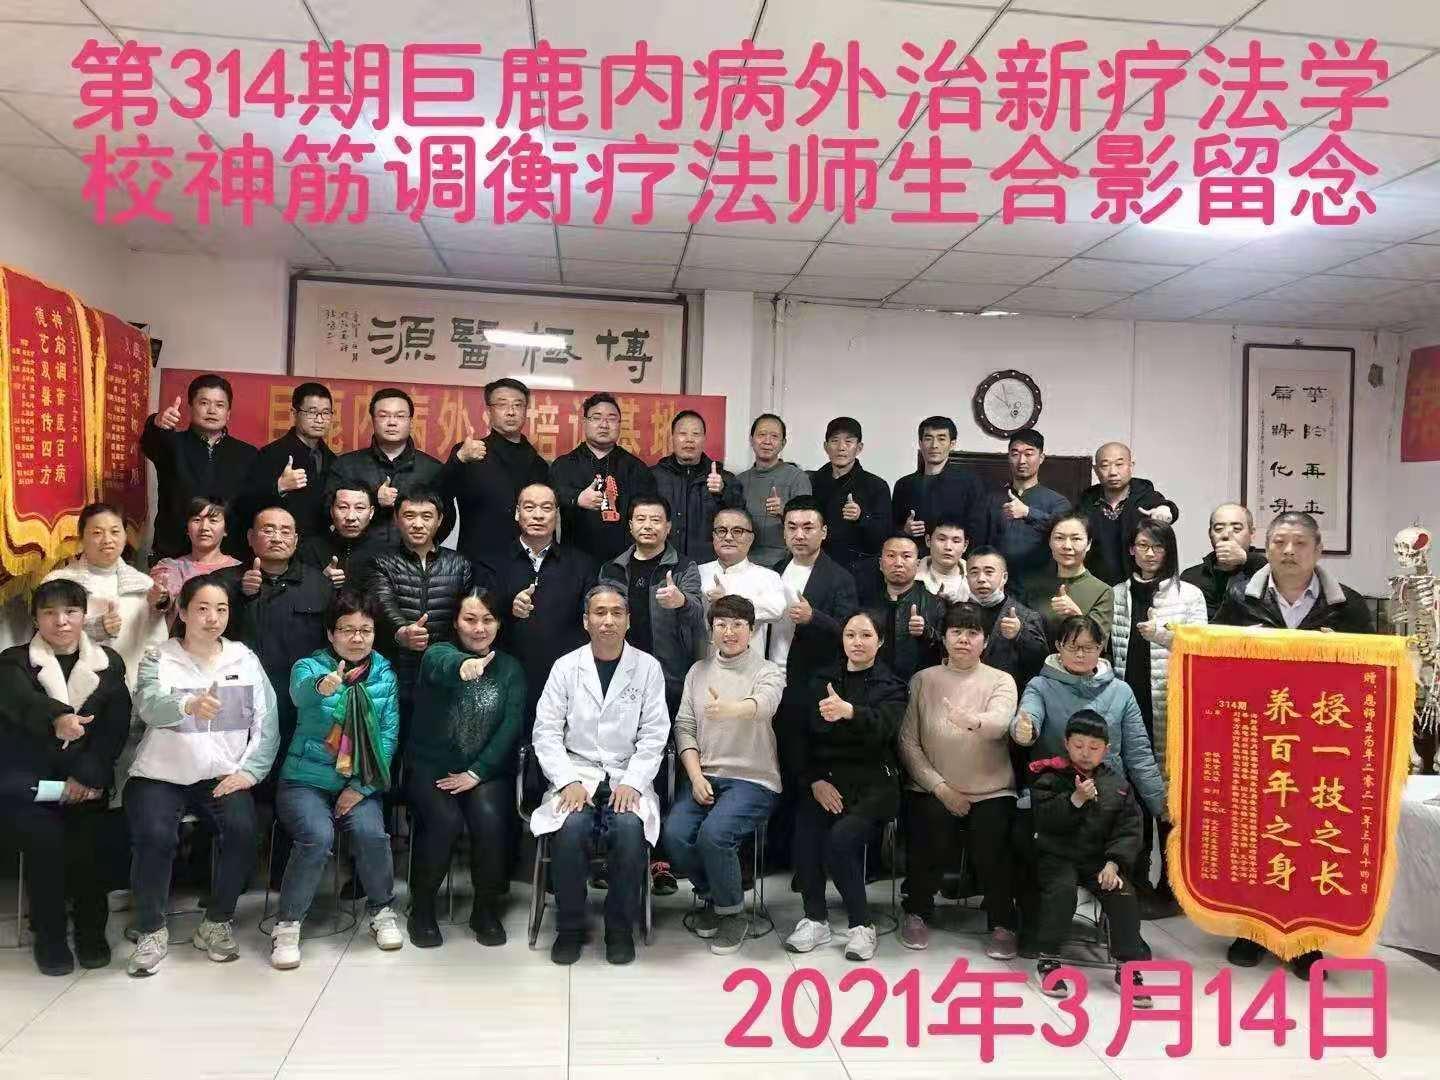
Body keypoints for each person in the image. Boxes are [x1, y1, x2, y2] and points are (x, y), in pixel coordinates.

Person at [1214, 510, 1374, 980]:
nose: (1288, 551)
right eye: (1279, 541)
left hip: (1320, 745)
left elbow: (1374, 675)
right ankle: (1251, 929)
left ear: (1318, 550)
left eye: (1300, 543)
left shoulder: (1348, 606)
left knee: (1311, 835)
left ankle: (1306, 937)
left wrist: (1342, 652)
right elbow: (1212, 658)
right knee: (1255, 831)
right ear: (1265, 547)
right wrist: (1241, 643)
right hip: (1259, 738)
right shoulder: (1239, 598)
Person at [126, 575, 279, 977]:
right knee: (155, 837)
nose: (213, 618)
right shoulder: (158, 657)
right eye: (203, 609)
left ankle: (216, 922)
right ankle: (150, 929)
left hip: (220, 775)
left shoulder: (244, 659)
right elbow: (148, 706)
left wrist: (250, 772)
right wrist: (188, 705)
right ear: (182, 612)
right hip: (161, 774)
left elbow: (267, 724)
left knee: (244, 830)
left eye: (221, 609)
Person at [530, 585, 671, 966]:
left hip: (627, 773)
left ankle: (619, 929)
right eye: (599, 613)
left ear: (628, 620)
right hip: (577, 771)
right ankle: (570, 928)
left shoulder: (647, 668)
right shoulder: (565, 667)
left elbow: (655, 734)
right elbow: (546, 731)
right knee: (570, 829)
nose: (608, 620)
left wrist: (633, 782)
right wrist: (567, 780)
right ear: (585, 621)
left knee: (628, 829)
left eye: (616, 613)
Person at [0, 579, 131, 975]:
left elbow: (113, 729)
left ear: (83, 616)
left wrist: (87, 779)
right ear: (35, 619)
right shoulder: (13, 662)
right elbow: (21, 704)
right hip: (33, 783)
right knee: (45, 845)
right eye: (50, 613)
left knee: (91, 844)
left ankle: (91, 932)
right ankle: (50, 936)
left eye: (71, 612)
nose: (61, 621)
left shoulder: (108, 663)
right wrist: (57, 718)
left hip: (87, 783)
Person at [270, 590, 403, 970]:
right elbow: (299, 695)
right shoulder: (309, 667)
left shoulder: (385, 674)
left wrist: (360, 789)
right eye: (347, 630)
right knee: (318, 835)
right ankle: (288, 924)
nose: (357, 638)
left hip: (360, 782)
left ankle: (382, 910)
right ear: (331, 634)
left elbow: (388, 737)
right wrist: (322, 687)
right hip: (305, 781)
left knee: (371, 833)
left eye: (365, 630)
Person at [663, 596, 786, 955]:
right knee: (674, 834)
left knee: (715, 835)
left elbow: (765, 705)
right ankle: (714, 896)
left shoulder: (767, 671)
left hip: (754, 779)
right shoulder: (697, 672)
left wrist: (730, 708)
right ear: (711, 630)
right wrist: (695, 776)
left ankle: (732, 913)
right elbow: (684, 727)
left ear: (752, 630)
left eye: (737, 625)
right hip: (706, 776)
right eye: (721, 625)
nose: (729, 632)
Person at [897, 603, 1020, 958]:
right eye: (956, 632)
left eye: (973, 633)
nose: (964, 639)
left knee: (992, 843)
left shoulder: (1001, 680)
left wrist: (972, 721)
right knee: (929, 828)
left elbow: (1000, 723)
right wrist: (940, 788)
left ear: (985, 640)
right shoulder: (923, 680)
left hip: (991, 789)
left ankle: (1002, 922)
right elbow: (908, 742)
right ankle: (917, 910)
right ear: (944, 637)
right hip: (933, 787)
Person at [407, 589, 527, 948]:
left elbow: (511, 726)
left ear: (499, 623)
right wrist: (463, 666)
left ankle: (485, 909)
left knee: (490, 819)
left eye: (488, 620)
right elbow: (443, 664)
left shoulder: (510, 669)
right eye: (470, 619)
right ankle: (422, 909)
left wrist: (477, 772)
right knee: (444, 821)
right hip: (432, 767)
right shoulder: (438, 654)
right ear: (456, 623)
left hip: (483, 770)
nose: (479, 628)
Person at [785, 609, 907, 962]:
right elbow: (800, 737)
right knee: (807, 832)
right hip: (827, 780)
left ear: (880, 642)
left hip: (874, 784)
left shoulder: (892, 685)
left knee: (840, 840)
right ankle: (815, 919)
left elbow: (885, 728)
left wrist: (850, 712)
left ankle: (861, 925)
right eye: (850, 634)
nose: (857, 642)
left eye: (866, 635)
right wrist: (814, 780)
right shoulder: (821, 679)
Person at [1109, 521, 1207, 917]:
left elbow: (1202, 648)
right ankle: (1136, 882)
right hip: (1128, 706)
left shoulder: (1189, 594)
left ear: (1169, 551)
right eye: (1142, 545)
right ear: (1131, 549)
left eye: (1158, 547)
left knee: (1168, 800)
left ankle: (1172, 887)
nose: (1149, 554)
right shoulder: (1118, 593)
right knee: (1131, 799)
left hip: (1168, 707)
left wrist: (1164, 635)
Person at [1031, 711, 1152, 1007]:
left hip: (1099, 860)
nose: (1085, 753)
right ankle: (1048, 959)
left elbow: (1129, 829)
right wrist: (1075, 800)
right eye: (1079, 745)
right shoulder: (1051, 776)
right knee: (1062, 890)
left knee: (1122, 892)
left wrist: (1114, 863)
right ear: (1066, 744)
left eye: (1094, 747)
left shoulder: (1117, 784)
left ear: (1106, 749)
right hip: (1058, 854)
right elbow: (1044, 820)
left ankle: (1128, 966)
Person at [768, 496, 859, 868]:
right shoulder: (774, 570)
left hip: (811, 686)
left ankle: (805, 862)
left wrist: (813, 617)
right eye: (792, 527)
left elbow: (851, 635)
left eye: (808, 527)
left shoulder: (840, 577)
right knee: (775, 766)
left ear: (824, 531)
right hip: (770, 679)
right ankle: (775, 853)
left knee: (805, 768)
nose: (800, 535)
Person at [219, 506, 332, 793]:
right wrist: (240, 596)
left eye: (285, 531)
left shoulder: (320, 585)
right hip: (240, 701)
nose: (277, 537)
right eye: (268, 530)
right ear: (250, 537)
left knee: (293, 782)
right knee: (240, 782)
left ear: (296, 540)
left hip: (299, 702)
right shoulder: (225, 583)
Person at [1010, 616, 1167, 822]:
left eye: (1088, 647)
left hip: (1109, 796)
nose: (1080, 654)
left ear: (1100, 647)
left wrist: (1160, 805)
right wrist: (1025, 730)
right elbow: (1029, 716)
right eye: (1072, 647)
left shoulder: (1121, 691)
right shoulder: (1040, 686)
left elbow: (1139, 755)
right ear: (1058, 646)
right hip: (1058, 796)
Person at [477, 482, 596, 730]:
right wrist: (509, 607)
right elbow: (478, 618)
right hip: (505, 680)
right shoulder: (491, 562)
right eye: (529, 507)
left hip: (565, 683)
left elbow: (589, 624)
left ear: (557, 514)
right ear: (517, 513)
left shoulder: (582, 565)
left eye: (546, 508)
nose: (538, 515)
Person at [367, 488, 475, 731]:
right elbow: (382, 602)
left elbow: (468, 614)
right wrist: (402, 631)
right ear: (396, 519)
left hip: (443, 677)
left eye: (426, 516)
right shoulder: (381, 562)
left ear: (439, 520)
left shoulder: (459, 564)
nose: (418, 524)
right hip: (392, 675)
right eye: (409, 515)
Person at [597, 495, 707, 716]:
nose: (648, 526)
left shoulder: (683, 567)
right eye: (641, 519)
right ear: (630, 526)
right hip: (619, 670)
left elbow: (697, 615)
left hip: (669, 674)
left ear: (668, 527)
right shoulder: (612, 569)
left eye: (656, 520)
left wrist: (681, 601)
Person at [43, 502, 169, 693]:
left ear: (125, 536)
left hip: (131, 689)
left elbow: (156, 643)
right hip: (72, 689)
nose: (107, 540)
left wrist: (158, 607)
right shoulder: (58, 583)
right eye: (97, 533)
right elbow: (46, 637)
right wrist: (95, 628)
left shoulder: (143, 585)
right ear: (81, 538)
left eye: (115, 531)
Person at [141, 374, 257, 562]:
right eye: (204, 403)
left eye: (220, 405)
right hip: (174, 554)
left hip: (230, 557)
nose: (212, 410)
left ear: (228, 413)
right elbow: (149, 444)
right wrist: (156, 423)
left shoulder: (248, 454)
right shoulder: (171, 444)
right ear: (190, 407)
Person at [442, 377, 551, 566]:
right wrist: (458, 460)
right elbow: (438, 497)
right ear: (488, 411)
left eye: (518, 405)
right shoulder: (468, 453)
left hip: (526, 564)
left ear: (526, 411)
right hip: (477, 562)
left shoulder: (539, 464)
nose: (511, 412)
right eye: (502, 405)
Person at [329, 387, 451, 550]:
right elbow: (327, 511)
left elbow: (446, 519)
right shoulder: (346, 465)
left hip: (411, 560)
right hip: (357, 557)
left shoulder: (432, 469)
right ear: (373, 420)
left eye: (400, 416)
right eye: (384, 416)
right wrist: (373, 499)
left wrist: (420, 550)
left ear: (411, 422)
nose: (392, 422)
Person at [550, 391, 657, 564]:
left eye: (611, 419)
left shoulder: (636, 469)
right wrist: (576, 498)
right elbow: (547, 502)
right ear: (585, 423)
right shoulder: (563, 465)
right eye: (596, 418)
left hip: (624, 564)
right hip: (572, 563)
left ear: (620, 425)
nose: (604, 424)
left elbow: (649, 514)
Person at [238, 382, 337, 539]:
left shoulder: (333, 460)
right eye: (312, 412)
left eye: (325, 413)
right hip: (281, 542)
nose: (319, 419)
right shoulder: (271, 454)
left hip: (322, 545)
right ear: (294, 413)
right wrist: (280, 487)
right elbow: (246, 503)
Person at [979, 429, 1071, 598]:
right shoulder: (991, 499)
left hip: (1042, 590)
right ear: (1009, 457)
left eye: (1029, 454)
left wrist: (1028, 512)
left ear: (1041, 458)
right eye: (1015, 454)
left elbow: (1065, 533)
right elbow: (980, 544)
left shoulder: (1058, 502)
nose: (1022, 460)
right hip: (998, 589)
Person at [1077, 442, 1180, 587]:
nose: (1113, 472)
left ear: (1131, 465)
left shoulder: (1145, 496)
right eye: (1105, 466)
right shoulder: (1086, 501)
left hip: (1140, 585)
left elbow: (1166, 507)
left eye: (1119, 464)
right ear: (1095, 469)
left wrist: (1165, 510)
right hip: (1096, 587)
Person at [724, 413, 812, 569]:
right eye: (762, 435)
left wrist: (784, 511)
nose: (767, 441)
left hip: (784, 564)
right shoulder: (739, 480)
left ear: (783, 443)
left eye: (774, 436)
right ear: (751, 440)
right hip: (744, 563)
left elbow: (808, 525)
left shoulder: (797, 478)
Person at [856, 534, 946, 684]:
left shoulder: (934, 603)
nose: (898, 563)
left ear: (918, 564)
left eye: (906, 556)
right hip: (875, 686)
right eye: (891, 556)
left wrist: (926, 632)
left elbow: (947, 649)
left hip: (921, 685)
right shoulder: (867, 604)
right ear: (880, 563)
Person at [892, 416, 986, 558]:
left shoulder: (970, 482)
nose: (934, 445)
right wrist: (905, 530)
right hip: (914, 561)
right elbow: (891, 528)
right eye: (928, 438)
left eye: (941, 439)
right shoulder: (904, 484)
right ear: (920, 443)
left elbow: (978, 531)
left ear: (952, 444)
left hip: (955, 562)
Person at [698, 507, 787, 656]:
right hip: (703, 663)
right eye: (721, 530)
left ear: (751, 538)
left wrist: (728, 599)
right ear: (713, 536)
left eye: (737, 531)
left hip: (749, 666)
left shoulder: (768, 576)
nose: (728, 537)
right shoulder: (697, 572)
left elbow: (777, 611)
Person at [809, 416, 891, 571]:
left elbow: (884, 536)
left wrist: (861, 517)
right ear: (826, 446)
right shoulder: (812, 482)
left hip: (859, 568)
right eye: (835, 441)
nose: (841, 447)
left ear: (859, 448)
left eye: (848, 441)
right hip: (816, 564)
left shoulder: (876, 486)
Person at [653, 409, 732, 564]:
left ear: (704, 439)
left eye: (696, 434)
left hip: (709, 565)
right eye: (683, 434)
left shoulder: (723, 478)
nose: (689, 440)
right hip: (662, 563)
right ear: (672, 438)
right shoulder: (654, 476)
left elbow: (740, 518)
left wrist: (723, 491)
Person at [965, 546, 1049, 692]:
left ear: (1004, 577)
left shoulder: (1026, 616)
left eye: (989, 572)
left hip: (1009, 695)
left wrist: (1020, 634)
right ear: (966, 578)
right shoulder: (958, 612)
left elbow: (1041, 664)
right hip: (965, 692)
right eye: (974, 573)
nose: (981, 579)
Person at [149, 496, 243, 627]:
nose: (204, 527)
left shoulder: (240, 570)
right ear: (187, 529)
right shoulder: (172, 568)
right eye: (197, 520)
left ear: (226, 530)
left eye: (213, 520)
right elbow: (162, 598)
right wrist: (161, 597)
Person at [1025, 513, 1115, 648]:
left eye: (1076, 539)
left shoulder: (1102, 591)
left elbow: (1099, 646)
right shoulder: (1034, 585)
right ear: (1049, 542)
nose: (1067, 546)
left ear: (1088, 544)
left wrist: (1076, 615)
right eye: (1059, 538)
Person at [1180, 503, 1269, 620]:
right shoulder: (1191, 577)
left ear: (1252, 533)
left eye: (1236, 529)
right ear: (1210, 534)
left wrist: (1246, 559)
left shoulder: (1267, 573)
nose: (1226, 535)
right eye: (1218, 529)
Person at [296, 482, 388, 589]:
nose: (351, 517)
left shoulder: (385, 552)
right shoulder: (311, 549)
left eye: (359, 508)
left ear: (371, 512)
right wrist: (321, 581)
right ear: (332, 511)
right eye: (343, 507)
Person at [916, 517, 971, 603]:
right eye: (941, 539)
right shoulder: (912, 578)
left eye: (956, 541)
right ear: (928, 540)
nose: (948, 547)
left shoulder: (976, 579)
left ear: (965, 546)